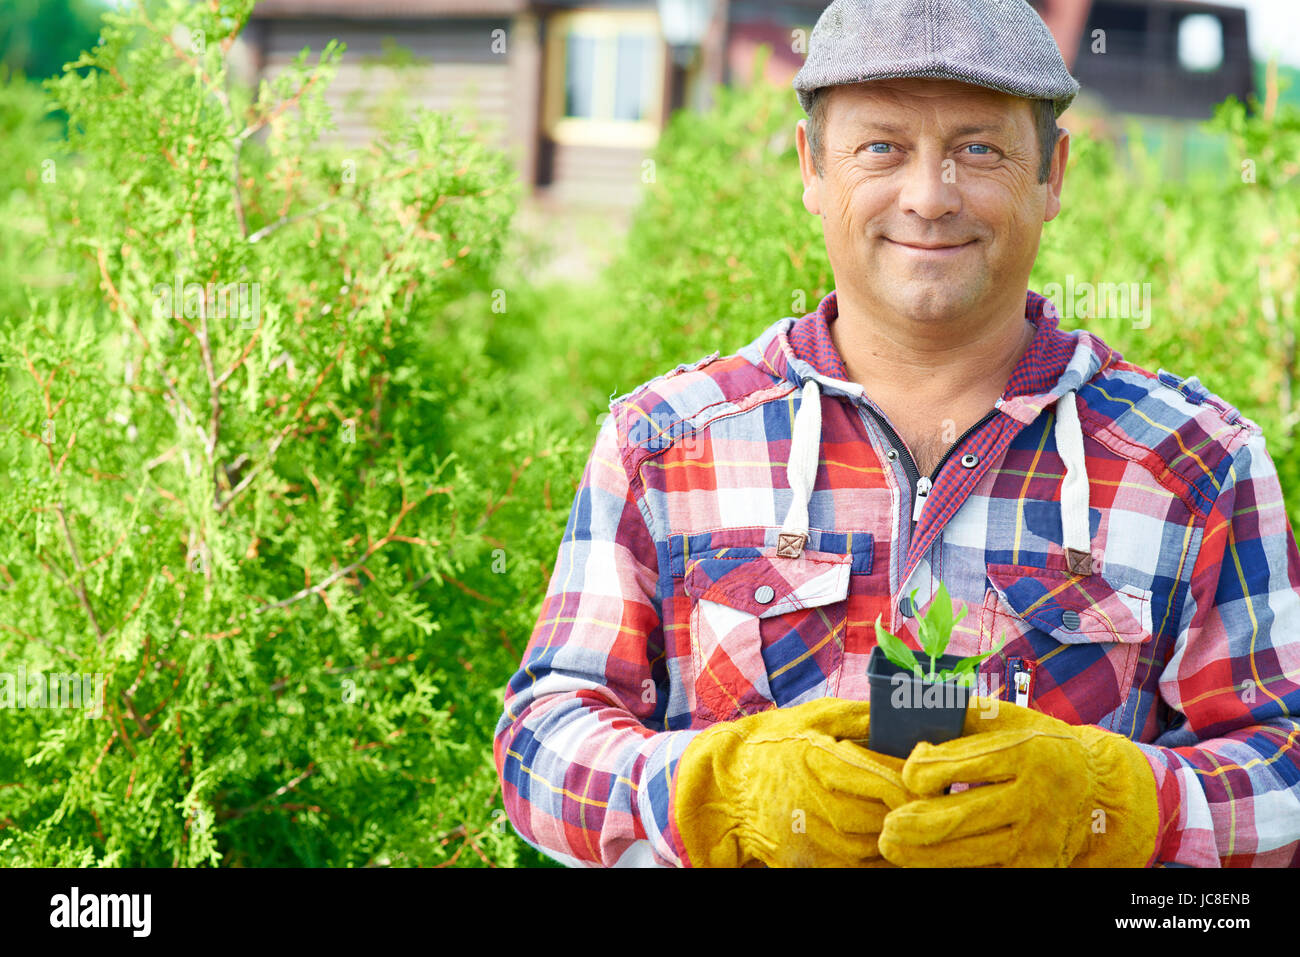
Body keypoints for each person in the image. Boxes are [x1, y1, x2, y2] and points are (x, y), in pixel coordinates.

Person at [493, 0, 1300, 867]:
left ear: (1053, 173)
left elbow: (1282, 761)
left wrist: (1112, 800)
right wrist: (714, 789)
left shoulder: (1198, 463)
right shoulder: (662, 443)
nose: (928, 196)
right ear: (811, 166)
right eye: (881, 147)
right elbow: (543, 737)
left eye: (978, 148)